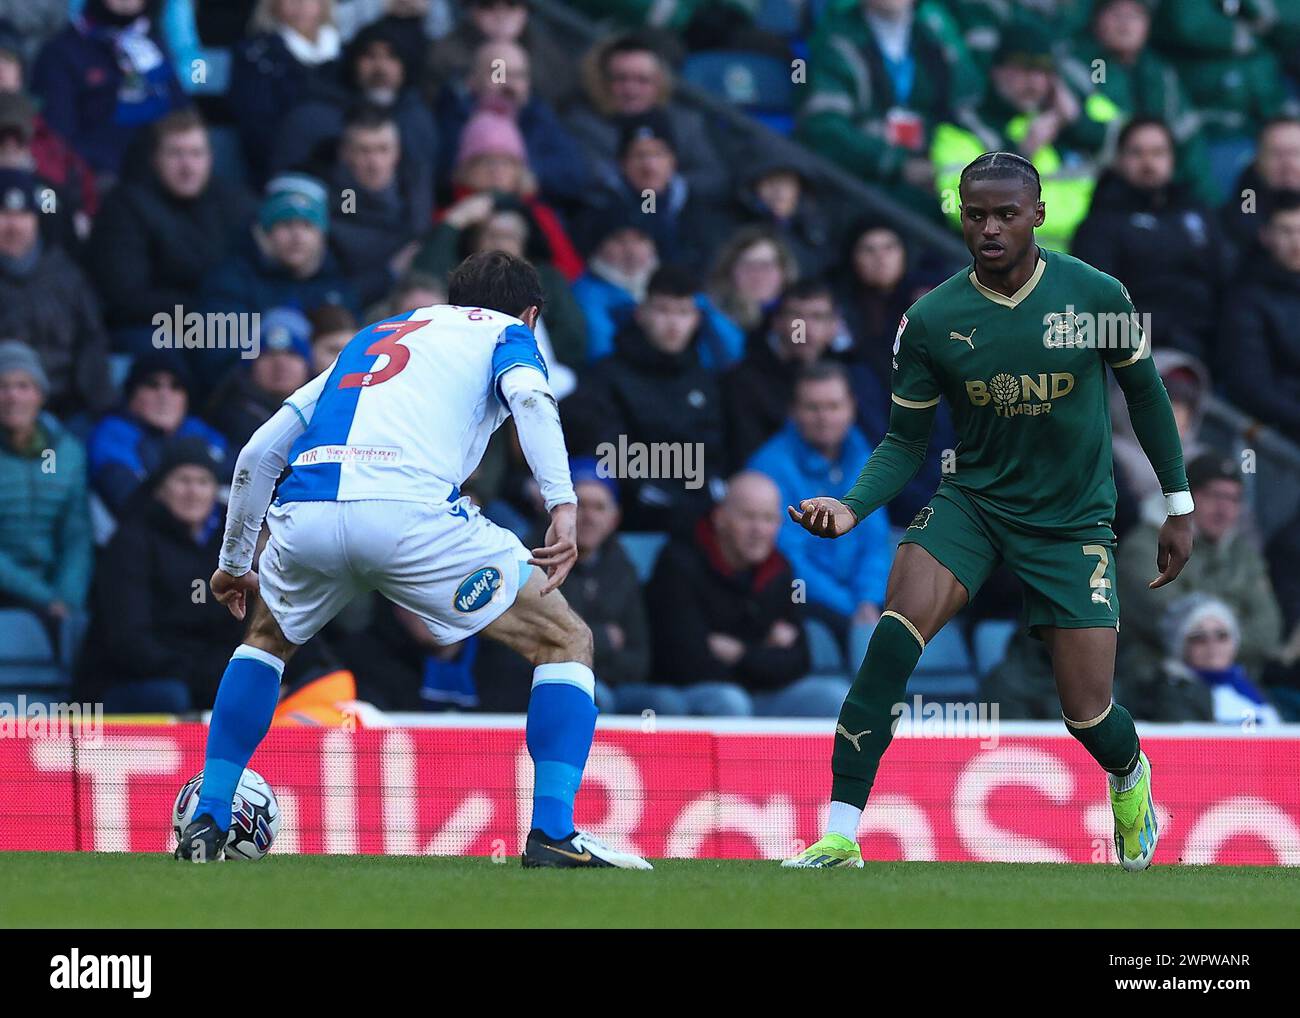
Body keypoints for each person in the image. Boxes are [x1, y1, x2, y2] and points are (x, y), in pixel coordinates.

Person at [782, 152, 1193, 873]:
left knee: (1086, 713)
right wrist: (850, 509)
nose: (991, 227)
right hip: (974, 504)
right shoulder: (933, 319)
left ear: (1037, 214)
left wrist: (1177, 504)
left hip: (1072, 521)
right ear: (961, 216)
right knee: (891, 640)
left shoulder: (1095, 296)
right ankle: (841, 835)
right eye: (977, 214)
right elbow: (904, 442)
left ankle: (1129, 776)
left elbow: (1148, 397)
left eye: (1007, 213)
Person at [177, 251, 651, 869]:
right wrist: (563, 503)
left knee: (265, 641)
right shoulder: (505, 332)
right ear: (532, 314)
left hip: (308, 511)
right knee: (565, 640)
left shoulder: (371, 338)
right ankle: (554, 832)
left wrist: (235, 559)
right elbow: (533, 403)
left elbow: (257, 453)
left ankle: (209, 820)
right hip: (408, 512)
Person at [79, 437, 242, 712]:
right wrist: (200, 675)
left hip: (200, 676)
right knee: (173, 695)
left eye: (203, 482)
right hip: (126, 681)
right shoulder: (130, 541)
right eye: (182, 480)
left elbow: (235, 626)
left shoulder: (227, 545)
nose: (193, 492)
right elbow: (128, 640)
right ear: (160, 488)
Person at [639, 471, 821, 716]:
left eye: (768, 519)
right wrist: (765, 652)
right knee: (731, 701)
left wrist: (739, 653)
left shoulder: (780, 569)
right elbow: (685, 662)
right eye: (748, 517)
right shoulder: (679, 562)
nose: (759, 529)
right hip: (690, 694)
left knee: (831, 697)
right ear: (720, 517)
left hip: (762, 691)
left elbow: (801, 660)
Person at [562, 265, 726, 534]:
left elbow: (715, 453)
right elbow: (607, 448)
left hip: (698, 521)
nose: (674, 324)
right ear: (641, 314)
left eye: (683, 312)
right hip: (631, 523)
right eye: (663, 310)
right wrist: (651, 489)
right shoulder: (606, 376)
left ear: (696, 319)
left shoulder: (705, 381)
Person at [86, 107, 255, 351]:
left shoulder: (236, 204)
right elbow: (125, 298)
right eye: (176, 154)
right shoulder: (124, 208)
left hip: (222, 320)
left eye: (196, 154)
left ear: (210, 158)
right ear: (155, 159)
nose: (187, 166)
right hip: (153, 327)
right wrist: (202, 309)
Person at [749, 363, 892, 644]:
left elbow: (875, 543)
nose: (824, 417)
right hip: (804, 601)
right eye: (813, 407)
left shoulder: (867, 457)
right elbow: (787, 556)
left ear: (851, 407)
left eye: (833, 406)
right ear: (793, 410)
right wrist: (851, 608)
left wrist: (868, 599)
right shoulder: (770, 467)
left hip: (863, 601)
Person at [1070, 118, 1230, 364]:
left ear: (1172, 159)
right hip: (1145, 353)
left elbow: (1225, 280)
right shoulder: (1099, 225)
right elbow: (1097, 307)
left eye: (1158, 152)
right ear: (1119, 160)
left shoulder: (1197, 212)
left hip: (1213, 345)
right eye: (1137, 153)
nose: (1148, 163)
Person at [1118, 453, 1282, 685]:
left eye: (1234, 499)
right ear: (1187, 498)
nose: (1223, 509)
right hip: (1157, 686)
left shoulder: (1243, 554)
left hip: (1236, 685)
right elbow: (1174, 622)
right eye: (1214, 495)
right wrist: (1227, 627)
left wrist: (1213, 637)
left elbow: (1268, 630)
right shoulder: (1146, 545)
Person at [31, 0, 186, 181]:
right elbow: (57, 138)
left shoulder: (152, 46)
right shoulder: (61, 53)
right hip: (97, 182)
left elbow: (182, 117)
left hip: (162, 179)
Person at [0, 167, 113, 416]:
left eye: (23, 215)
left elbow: (92, 343)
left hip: (66, 408)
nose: (14, 226)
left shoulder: (66, 276)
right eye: (4, 214)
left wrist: (97, 407)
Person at [0, 341, 92, 633]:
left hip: (55, 595)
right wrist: (44, 597)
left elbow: (77, 534)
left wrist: (68, 596)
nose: (12, 396)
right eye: (2, 386)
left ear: (40, 394)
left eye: (23, 385)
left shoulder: (68, 452)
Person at [87, 351, 228, 517]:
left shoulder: (196, 428)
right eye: (152, 385)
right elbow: (129, 500)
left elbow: (239, 475)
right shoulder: (112, 434)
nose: (164, 396)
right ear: (132, 394)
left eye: (176, 386)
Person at [1220, 194, 1300, 445]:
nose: (1296, 241)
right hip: (1283, 440)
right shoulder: (1246, 300)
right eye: (1286, 231)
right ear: (1266, 236)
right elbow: (1252, 387)